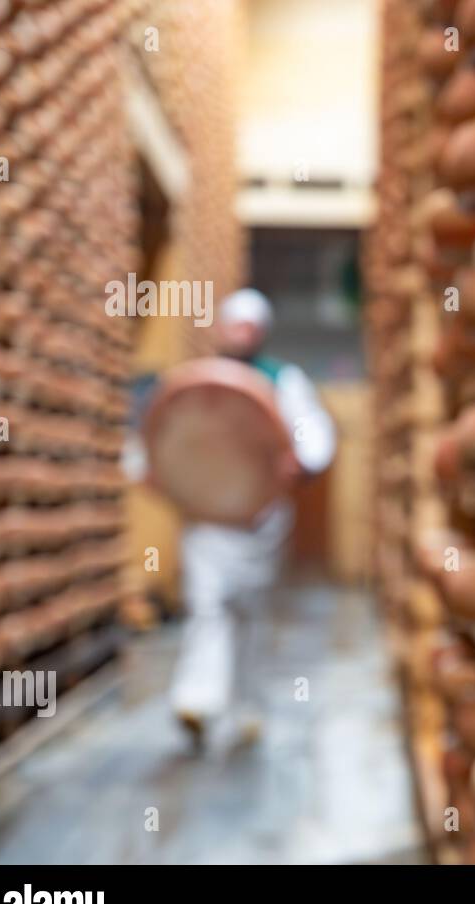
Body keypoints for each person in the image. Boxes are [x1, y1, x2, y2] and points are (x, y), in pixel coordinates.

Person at [168, 289, 336, 745]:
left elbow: (312, 431)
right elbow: (167, 430)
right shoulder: (200, 381)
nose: (241, 333)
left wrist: (301, 461)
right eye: (234, 324)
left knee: (251, 611)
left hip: (259, 517)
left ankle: (248, 706)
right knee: (207, 606)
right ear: (220, 328)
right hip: (206, 514)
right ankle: (198, 700)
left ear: (260, 332)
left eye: (249, 326)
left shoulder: (282, 380)